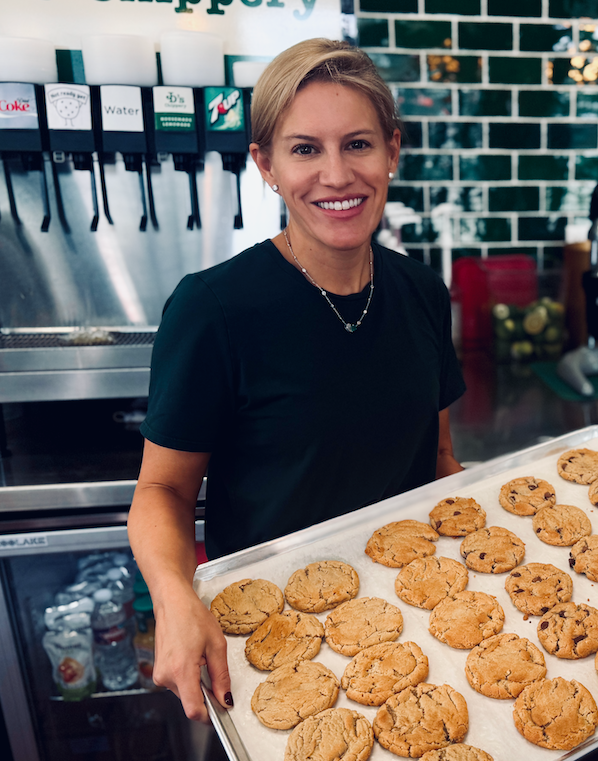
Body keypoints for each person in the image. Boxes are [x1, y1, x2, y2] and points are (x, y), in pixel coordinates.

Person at [126, 38, 467, 722]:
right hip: (274, 642)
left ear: (393, 152)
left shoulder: (423, 293)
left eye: (359, 145)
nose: (336, 175)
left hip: (414, 630)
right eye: (305, 149)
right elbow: (161, 489)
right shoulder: (214, 309)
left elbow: (436, 460)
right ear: (267, 166)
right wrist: (173, 595)